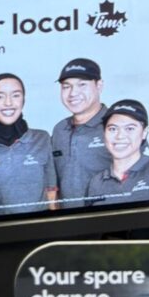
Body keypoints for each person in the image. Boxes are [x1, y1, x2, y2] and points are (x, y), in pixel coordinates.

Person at [0, 72, 57, 213]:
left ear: (23, 100)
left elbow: (51, 190)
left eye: (16, 95)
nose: (8, 103)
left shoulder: (41, 138)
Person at [82, 98, 149, 207]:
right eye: (113, 129)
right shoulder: (96, 183)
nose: (120, 136)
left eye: (130, 129)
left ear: (144, 132)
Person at [49, 57, 110, 207]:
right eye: (66, 86)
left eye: (82, 84)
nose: (73, 93)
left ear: (99, 85)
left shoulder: (118, 126)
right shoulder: (59, 129)